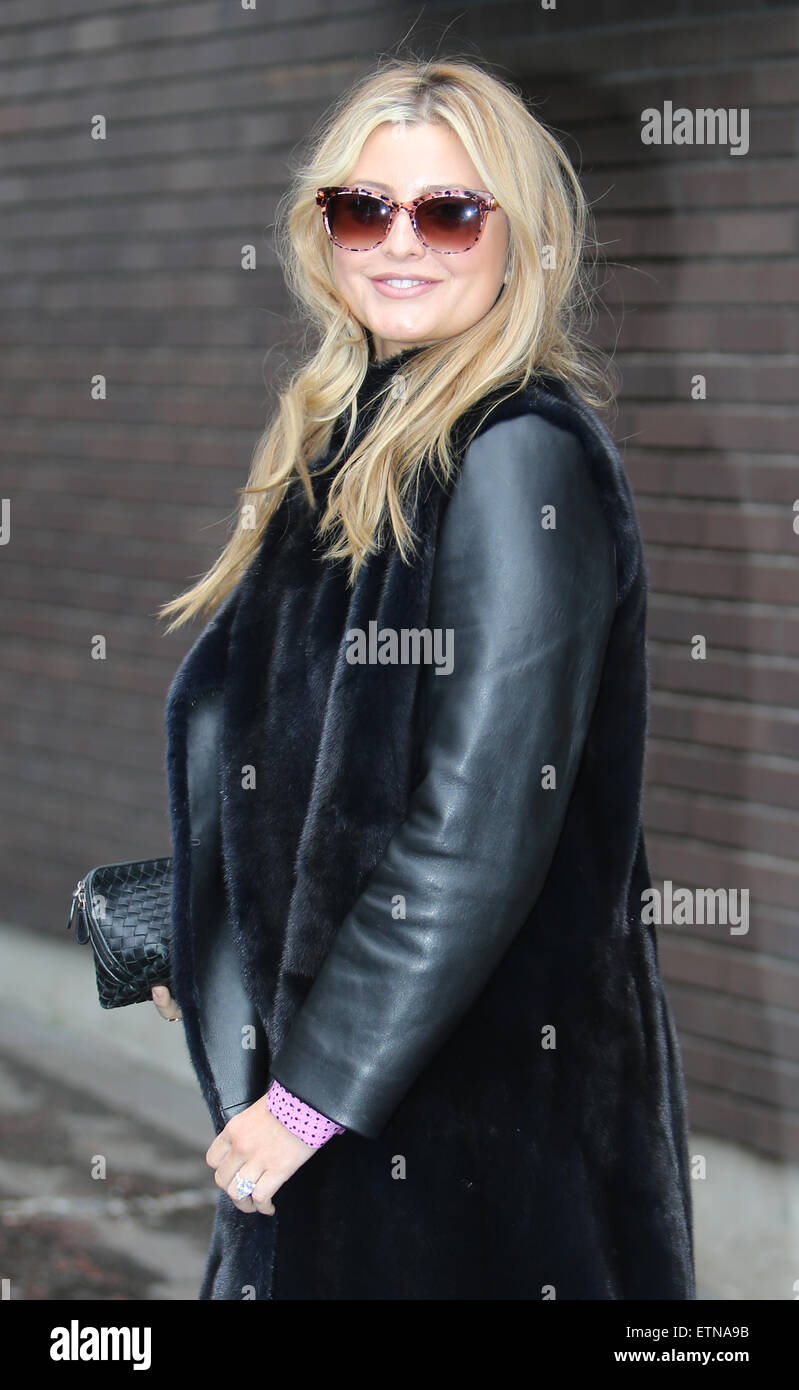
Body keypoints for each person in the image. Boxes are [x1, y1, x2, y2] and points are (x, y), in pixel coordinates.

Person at [154, 56, 696, 1300]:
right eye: (363, 207)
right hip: (362, 1095)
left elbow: (480, 823)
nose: (399, 243)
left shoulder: (517, 460)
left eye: (448, 211)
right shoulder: (358, 439)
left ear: (522, 236)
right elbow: (307, 764)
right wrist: (201, 914)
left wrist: (307, 1102)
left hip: (457, 1131)